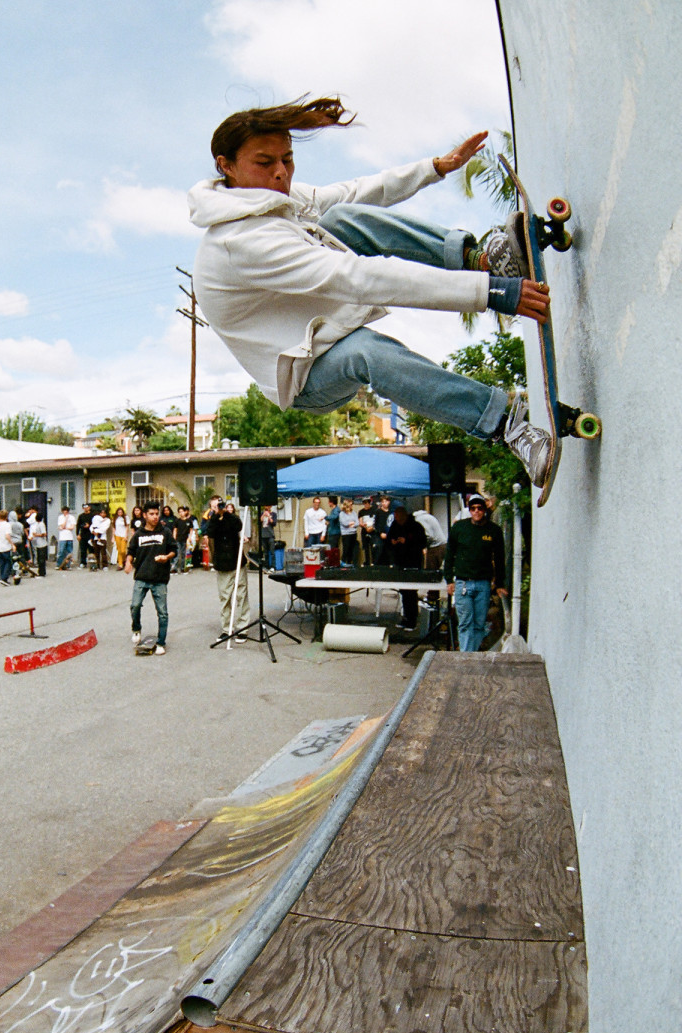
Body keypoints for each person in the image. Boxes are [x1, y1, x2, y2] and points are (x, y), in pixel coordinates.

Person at [188, 98, 553, 486]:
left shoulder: (276, 200)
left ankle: (480, 259)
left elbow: (356, 192)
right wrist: (492, 293)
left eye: (288, 159)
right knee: (366, 351)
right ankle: (507, 426)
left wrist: (433, 168)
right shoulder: (239, 242)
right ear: (225, 165)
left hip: (328, 327)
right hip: (307, 374)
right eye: (265, 163)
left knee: (338, 215)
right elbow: (358, 277)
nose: (281, 173)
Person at [443, 493, 507, 652]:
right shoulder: (459, 528)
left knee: (479, 624)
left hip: (483, 584)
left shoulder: (494, 531)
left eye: (480, 508)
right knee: (465, 623)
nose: (476, 512)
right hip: (463, 583)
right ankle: (465, 657)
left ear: (485, 509)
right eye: (473, 509)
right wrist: (449, 580)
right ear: (469, 510)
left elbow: (499, 558)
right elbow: (450, 554)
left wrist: (499, 584)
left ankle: (473, 655)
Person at [125, 501, 177, 655]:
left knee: (162, 612)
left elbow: (174, 549)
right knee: (135, 605)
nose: (155, 517)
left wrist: (166, 557)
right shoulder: (139, 534)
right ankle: (136, 628)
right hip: (141, 577)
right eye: (152, 514)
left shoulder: (165, 532)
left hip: (159, 578)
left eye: (157, 514)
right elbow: (131, 551)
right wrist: (128, 562)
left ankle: (161, 642)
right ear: (145, 515)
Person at [205, 499, 251, 643]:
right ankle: (227, 629)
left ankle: (243, 628)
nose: (218, 508)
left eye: (219, 505)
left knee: (241, 596)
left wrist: (226, 513)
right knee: (225, 598)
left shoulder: (231, 518)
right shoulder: (212, 521)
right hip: (222, 564)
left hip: (237, 562)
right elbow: (209, 532)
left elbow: (238, 526)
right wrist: (215, 515)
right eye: (214, 507)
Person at [387, 504, 428, 630]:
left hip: (413, 561)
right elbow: (389, 538)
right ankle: (405, 618)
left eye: (399, 517)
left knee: (411, 591)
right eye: (396, 517)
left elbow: (423, 543)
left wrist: (407, 541)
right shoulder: (395, 525)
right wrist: (392, 541)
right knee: (404, 591)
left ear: (404, 516)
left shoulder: (415, 526)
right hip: (400, 562)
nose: (397, 519)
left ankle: (413, 619)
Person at [413, 507, 447, 571]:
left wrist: (422, 546)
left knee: (431, 571)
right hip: (442, 544)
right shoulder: (427, 516)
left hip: (435, 547)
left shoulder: (419, 519)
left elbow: (428, 535)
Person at [0, 509, 15, 585]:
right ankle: (4, 578)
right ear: (6, 516)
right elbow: (7, 536)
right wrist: (12, 544)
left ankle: (2, 576)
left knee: (1, 563)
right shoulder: (7, 525)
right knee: (8, 562)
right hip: (6, 546)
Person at [338, 499, 359, 567]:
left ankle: (350, 563)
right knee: (346, 549)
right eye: (350, 504)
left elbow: (357, 522)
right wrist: (352, 523)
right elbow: (344, 523)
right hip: (346, 534)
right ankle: (343, 562)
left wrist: (352, 524)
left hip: (353, 533)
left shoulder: (354, 513)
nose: (351, 506)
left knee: (351, 550)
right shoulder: (342, 514)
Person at [27, 508, 47, 576]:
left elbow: (44, 534)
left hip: (42, 544)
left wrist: (36, 535)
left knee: (41, 559)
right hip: (38, 543)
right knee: (39, 559)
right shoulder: (38, 524)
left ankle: (42, 573)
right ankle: (40, 571)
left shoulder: (41, 524)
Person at [358, 496, 377, 565]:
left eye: (367, 502)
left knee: (373, 547)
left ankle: (374, 561)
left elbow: (376, 521)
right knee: (366, 547)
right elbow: (360, 522)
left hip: (373, 531)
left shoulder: (374, 510)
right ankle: (367, 561)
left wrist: (372, 527)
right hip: (364, 531)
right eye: (365, 503)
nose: (366, 504)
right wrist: (364, 526)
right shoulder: (361, 512)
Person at [173, 506, 192, 572]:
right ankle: (174, 568)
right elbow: (175, 530)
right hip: (178, 539)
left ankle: (183, 568)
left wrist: (189, 538)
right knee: (177, 554)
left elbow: (191, 530)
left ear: (185, 512)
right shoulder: (177, 521)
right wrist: (174, 537)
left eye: (182, 511)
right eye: (179, 512)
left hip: (185, 540)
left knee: (184, 554)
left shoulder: (189, 521)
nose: (181, 513)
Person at [76, 503, 93, 569]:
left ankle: (92, 563)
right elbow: (78, 525)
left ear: (89, 507)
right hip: (83, 534)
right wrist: (77, 534)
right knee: (83, 549)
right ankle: (83, 563)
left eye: (87, 507)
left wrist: (89, 526)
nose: (86, 508)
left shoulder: (92, 515)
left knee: (91, 549)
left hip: (90, 534)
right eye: (84, 507)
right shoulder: (81, 516)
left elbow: (94, 524)